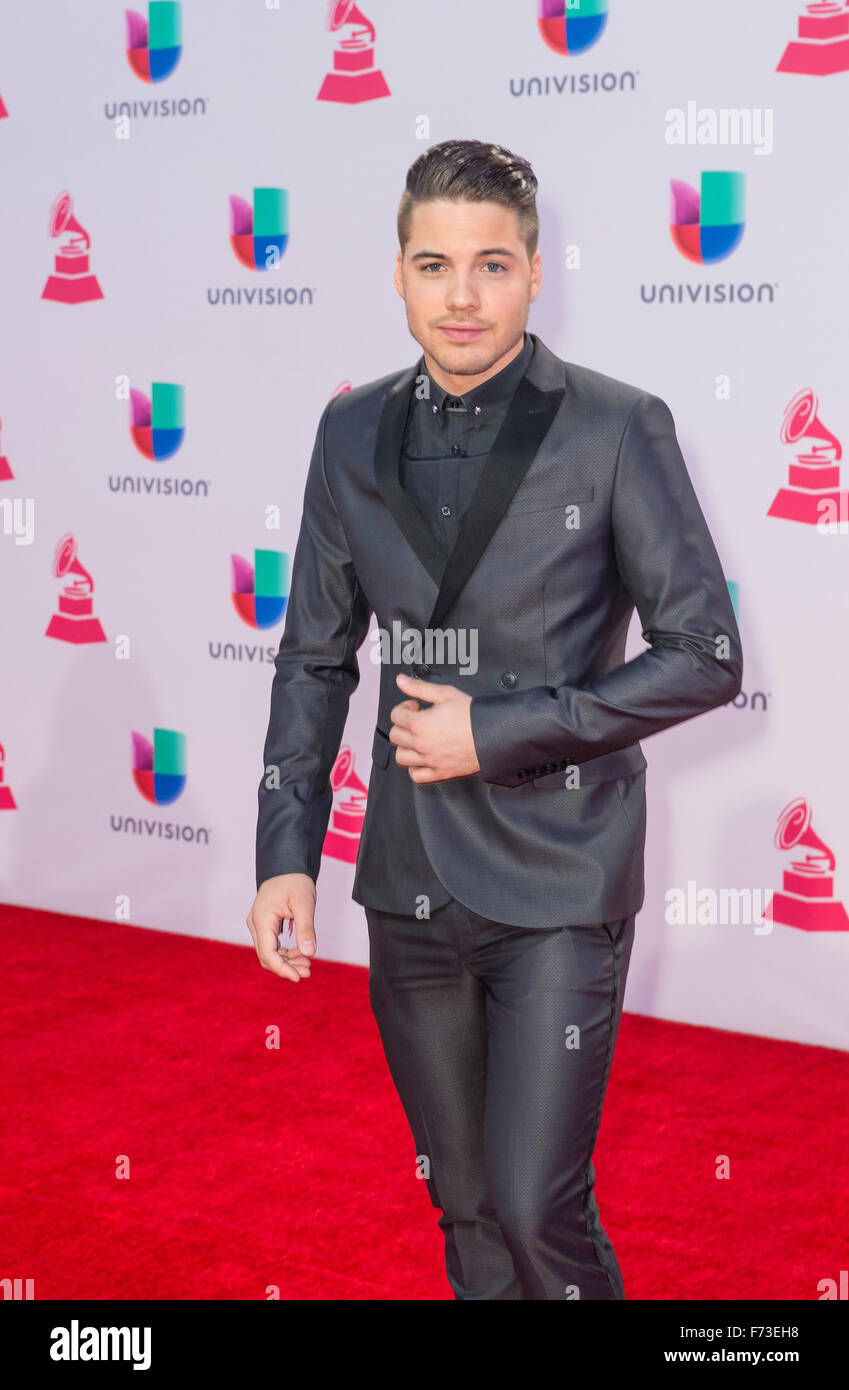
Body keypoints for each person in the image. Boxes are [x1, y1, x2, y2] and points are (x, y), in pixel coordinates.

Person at [246, 139, 743, 1300]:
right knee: (464, 1207)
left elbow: (705, 656)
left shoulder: (618, 426)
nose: (461, 296)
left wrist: (500, 731)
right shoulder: (351, 432)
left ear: (534, 272)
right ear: (400, 274)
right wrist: (285, 856)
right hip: (405, 878)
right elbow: (315, 655)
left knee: (534, 1207)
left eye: (492, 265)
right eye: (434, 264)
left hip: (560, 877)